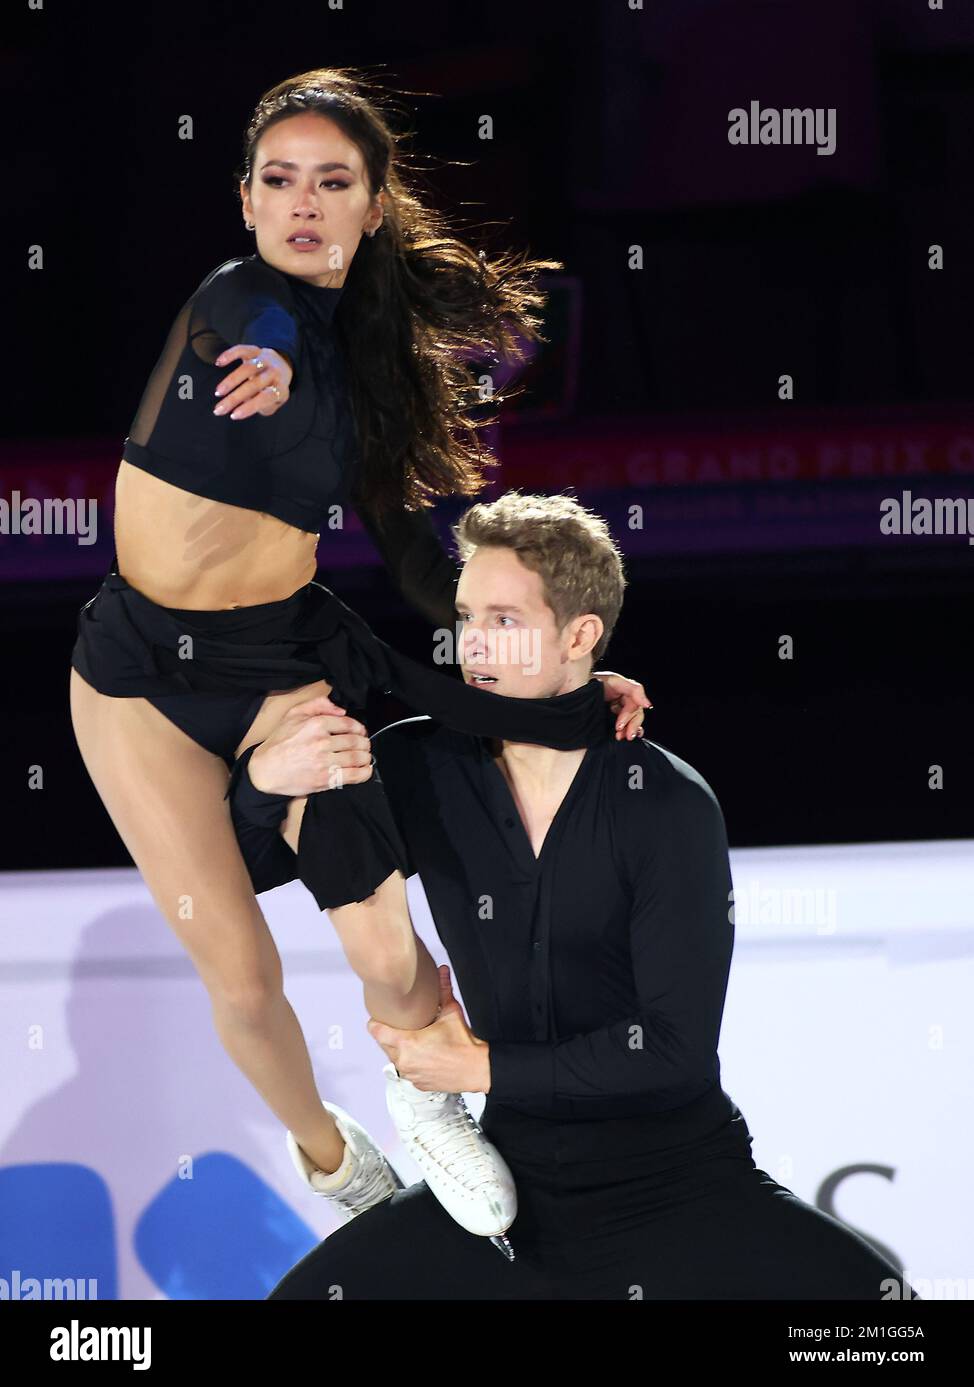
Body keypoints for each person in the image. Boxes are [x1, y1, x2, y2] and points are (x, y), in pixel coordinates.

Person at [68, 68, 649, 1242]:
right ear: (243, 200)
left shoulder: (375, 373)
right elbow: (259, 329)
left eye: (333, 181)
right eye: (278, 180)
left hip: (277, 667)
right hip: (138, 683)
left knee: (386, 948)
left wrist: (534, 662)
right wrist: (277, 373)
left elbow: (421, 569)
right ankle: (341, 1165)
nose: (303, 202)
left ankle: (433, 1096)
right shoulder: (234, 307)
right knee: (240, 978)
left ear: (374, 204)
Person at [223, 491, 920, 1301]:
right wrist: (264, 784)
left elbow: (672, 1051)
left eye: (505, 620)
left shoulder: (665, 803)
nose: (473, 642)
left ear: (581, 635)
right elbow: (242, 874)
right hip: (510, 1198)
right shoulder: (423, 767)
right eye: (466, 616)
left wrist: (482, 1067)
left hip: (680, 1189)